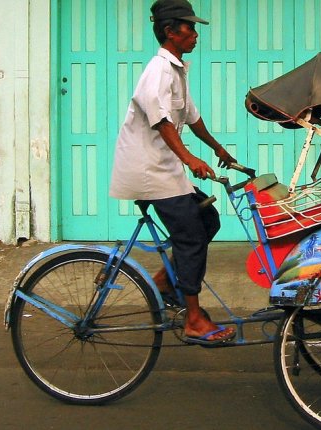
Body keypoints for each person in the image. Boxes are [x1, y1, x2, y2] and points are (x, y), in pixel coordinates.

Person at [110, 0, 236, 346]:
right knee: (191, 236)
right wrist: (190, 159)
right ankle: (194, 320)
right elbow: (161, 120)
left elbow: (191, 117)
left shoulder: (177, 69)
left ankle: (165, 280)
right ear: (170, 32)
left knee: (208, 219)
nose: (195, 35)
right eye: (189, 28)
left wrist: (217, 148)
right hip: (149, 171)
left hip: (165, 169)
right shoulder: (158, 70)